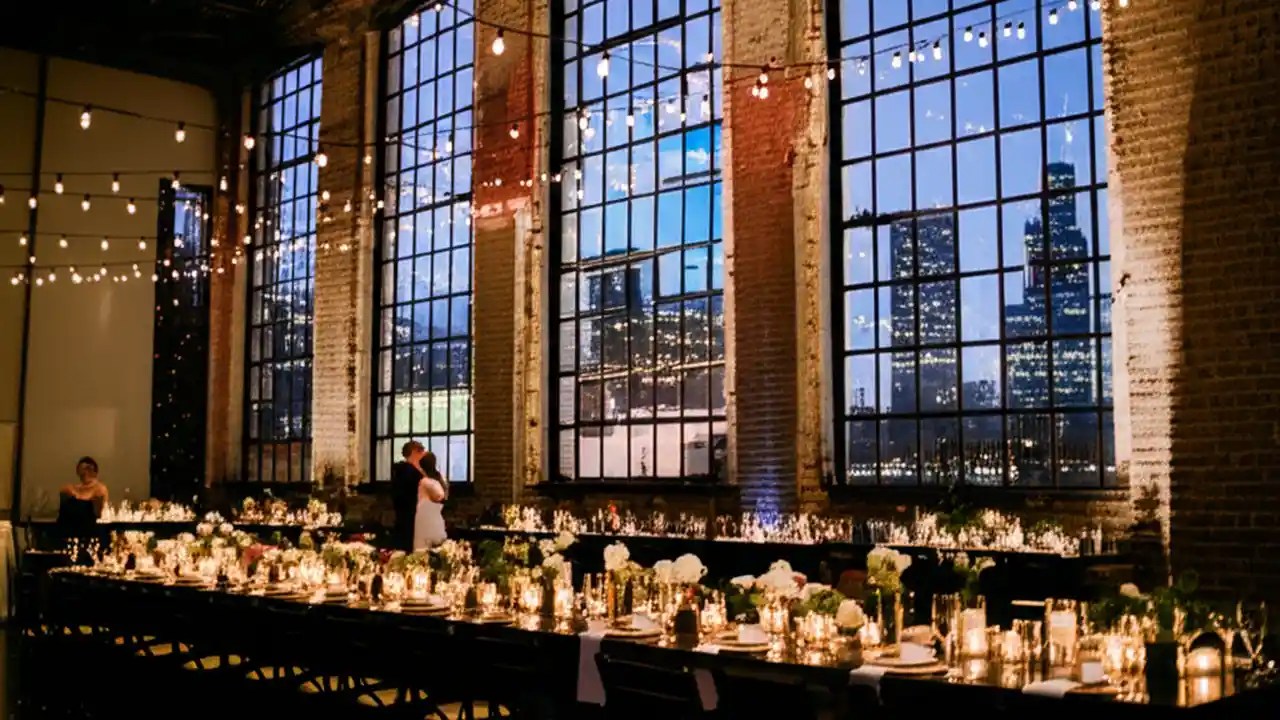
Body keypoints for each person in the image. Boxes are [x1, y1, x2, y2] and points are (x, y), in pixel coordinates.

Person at [57, 456, 108, 538]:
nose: (84, 473)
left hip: (90, 529)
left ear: (93, 471)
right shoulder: (73, 489)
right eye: (82, 471)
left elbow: (97, 512)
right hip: (71, 529)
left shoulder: (99, 489)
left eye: (87, 470)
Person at [391, 441, 426, 551]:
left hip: (403, 517)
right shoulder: (411, 473)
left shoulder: (400, 471)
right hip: (412, 517)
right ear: (414, 453)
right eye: (421, 453)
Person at [413, 450, 448, 550]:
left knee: (422, 548)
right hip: (436, 517)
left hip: (425, 520)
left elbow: (440, 495)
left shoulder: (425, 482)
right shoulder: (440, 480)